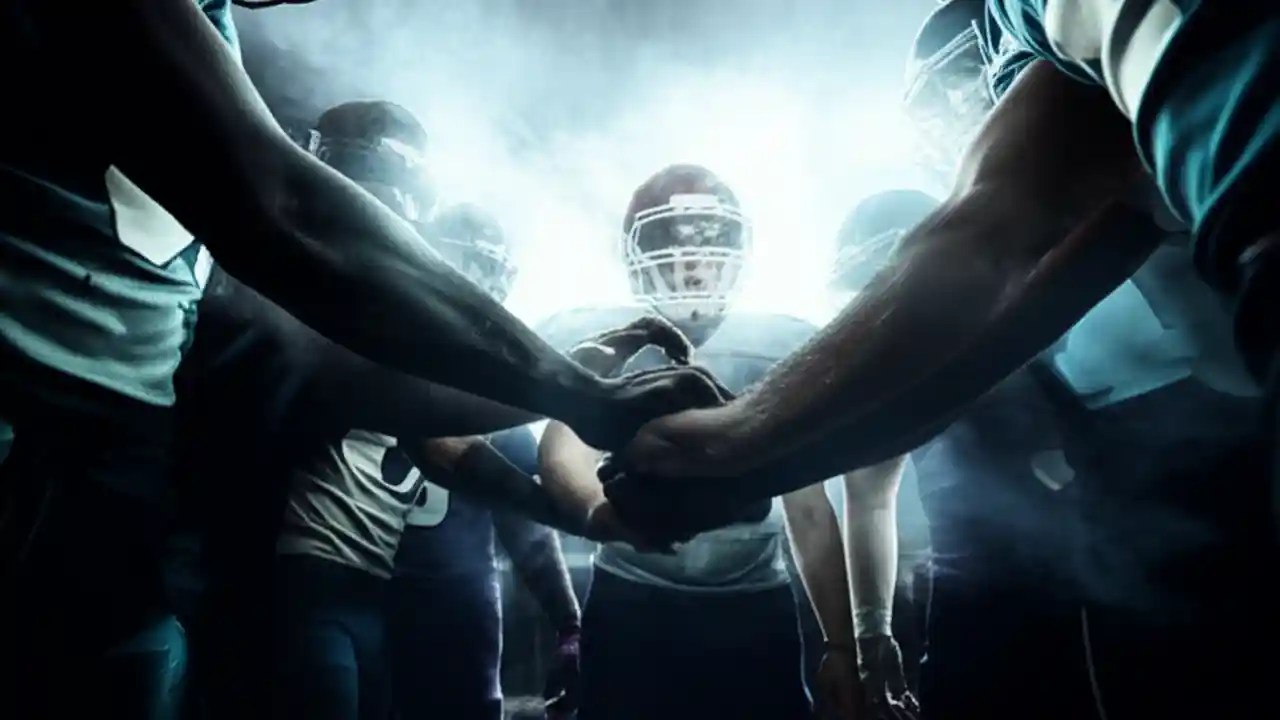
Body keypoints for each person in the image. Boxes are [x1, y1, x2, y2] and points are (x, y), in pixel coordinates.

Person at [0, 3, 720, 716]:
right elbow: (292, 215)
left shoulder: (208, 36)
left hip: (118, 499)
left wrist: (575, 386)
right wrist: (576, 388)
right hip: (54, 460)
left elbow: (342, 373)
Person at [538, 164, 909, 720]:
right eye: (675, 242)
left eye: (712, 242)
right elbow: (564, 444)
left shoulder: (782, 342)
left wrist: (840, 643)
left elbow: (807, 508)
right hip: (632, 597)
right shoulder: (611, 338)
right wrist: (599, 516)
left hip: (753, 602)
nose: (695, 262)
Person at [387, 204, 583, 720]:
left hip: (451, 604)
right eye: (465, 267)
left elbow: (528, 530)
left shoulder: (494, 397)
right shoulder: (364, 349)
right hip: (361, 593)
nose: (474, 286)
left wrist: (568, 622)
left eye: (484, 272)